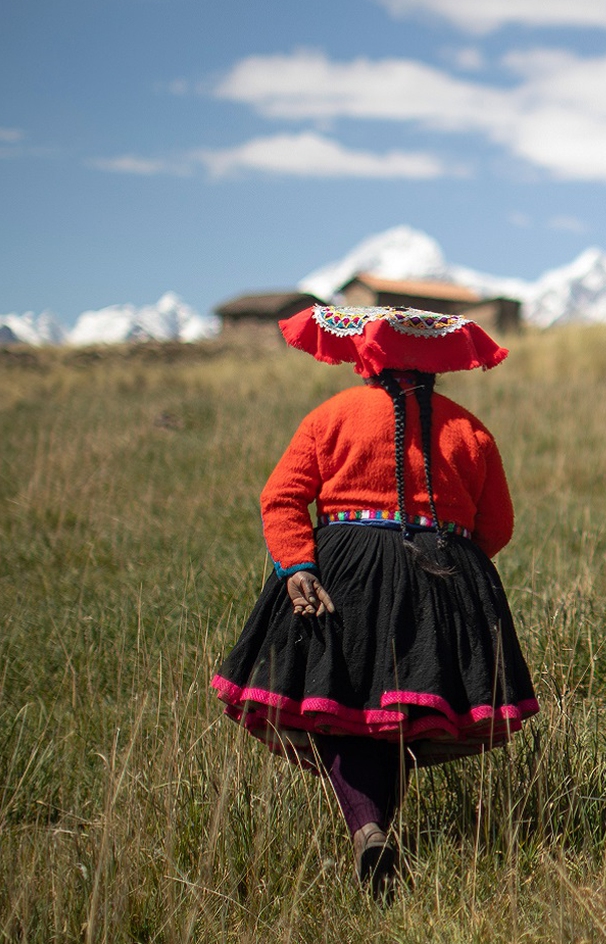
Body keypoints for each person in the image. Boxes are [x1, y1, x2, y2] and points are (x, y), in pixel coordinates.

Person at [212, 305, 538, 895]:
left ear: (368, 360)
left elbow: (281, 498)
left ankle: (368, 830)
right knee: (399, 715)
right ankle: (375, 833)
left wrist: (298, 563)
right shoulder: (471, 430)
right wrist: (455, 572)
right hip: (441, 573)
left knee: (345, 709)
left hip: (342, 575)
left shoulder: (331, 415)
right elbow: (497, 526)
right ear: (436, 366)